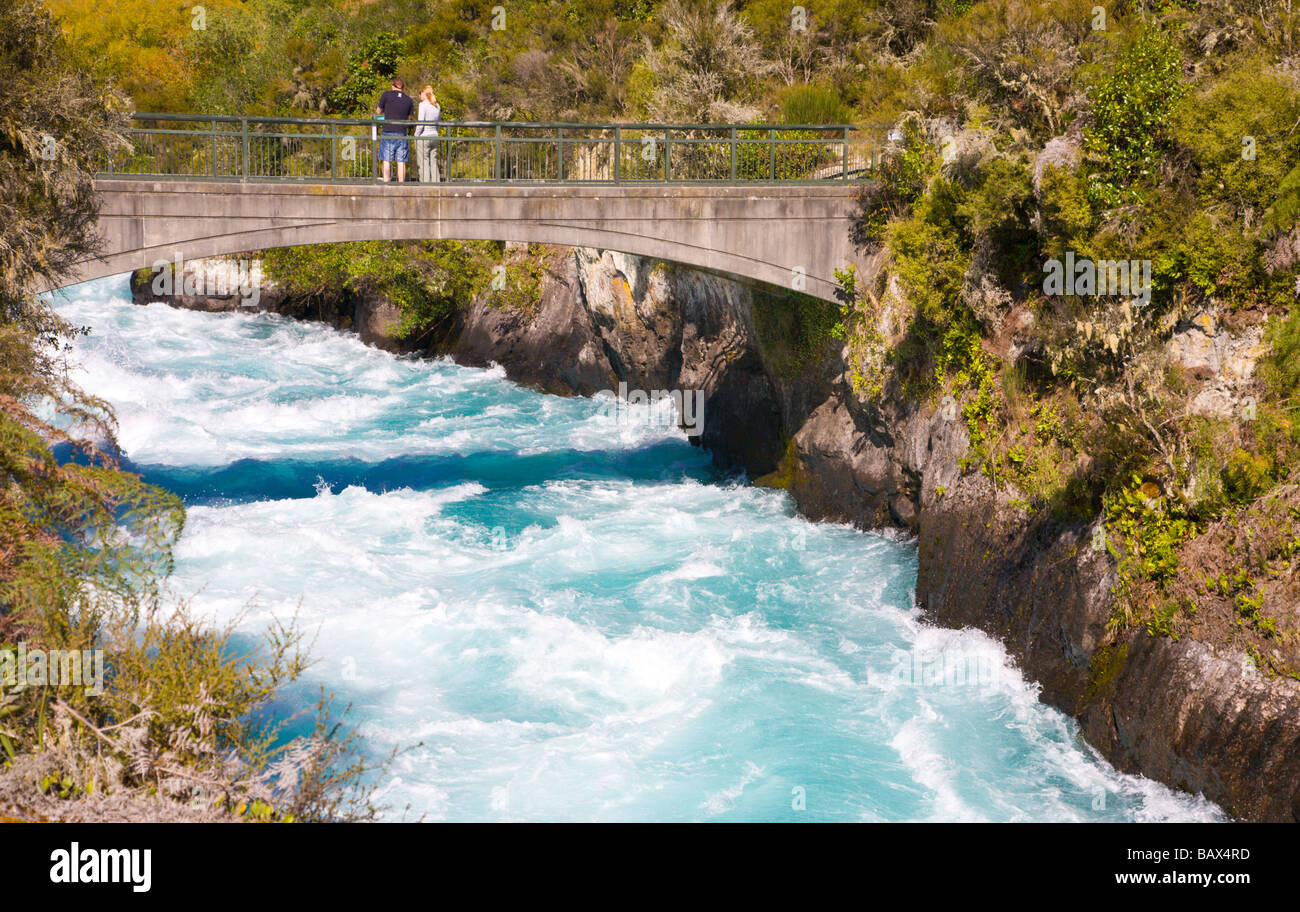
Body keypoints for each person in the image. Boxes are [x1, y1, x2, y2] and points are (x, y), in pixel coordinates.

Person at [375, 78, 414, 182]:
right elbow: (409, 119)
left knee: (387, 159)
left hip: (388, 131)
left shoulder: (386, 95)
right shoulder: (409, 100)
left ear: (393, 86)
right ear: (403, 88)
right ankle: (401, 184)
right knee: (401, 161)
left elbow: (378, 111)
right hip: (402, 133)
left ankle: (386, 182)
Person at [415, 86, 441, 183]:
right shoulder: (437, 105)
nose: (419, 95)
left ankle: (425, 183)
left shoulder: (423, 105)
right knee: (433, 161)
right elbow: (439, 123)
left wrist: (416, 135)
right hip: (434, 135)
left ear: (424, 93)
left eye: (420, 93)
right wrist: (435, 131)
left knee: (423, 161)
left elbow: (420, 123)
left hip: (424, 136)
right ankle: (436, 182)